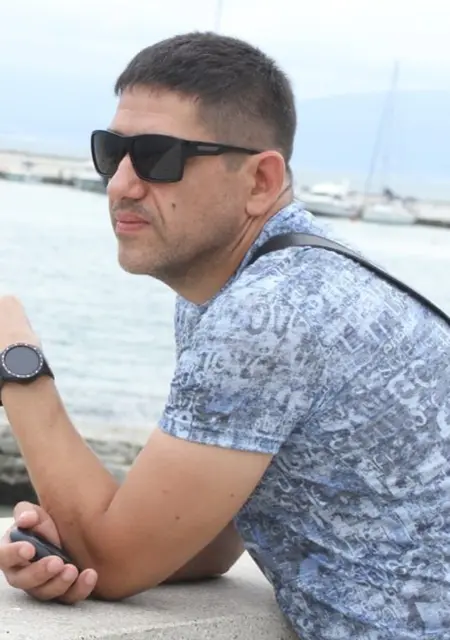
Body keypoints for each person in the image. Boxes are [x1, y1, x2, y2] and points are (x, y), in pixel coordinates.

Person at [0, 31, 449, 640]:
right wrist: (72, 544)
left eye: (158, 156)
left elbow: (117, 561)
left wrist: (15, 360)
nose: (121, 184)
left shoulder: (268, 313)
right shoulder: (259, 285)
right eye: (112, 152)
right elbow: (208, 543)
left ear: (261, 180)